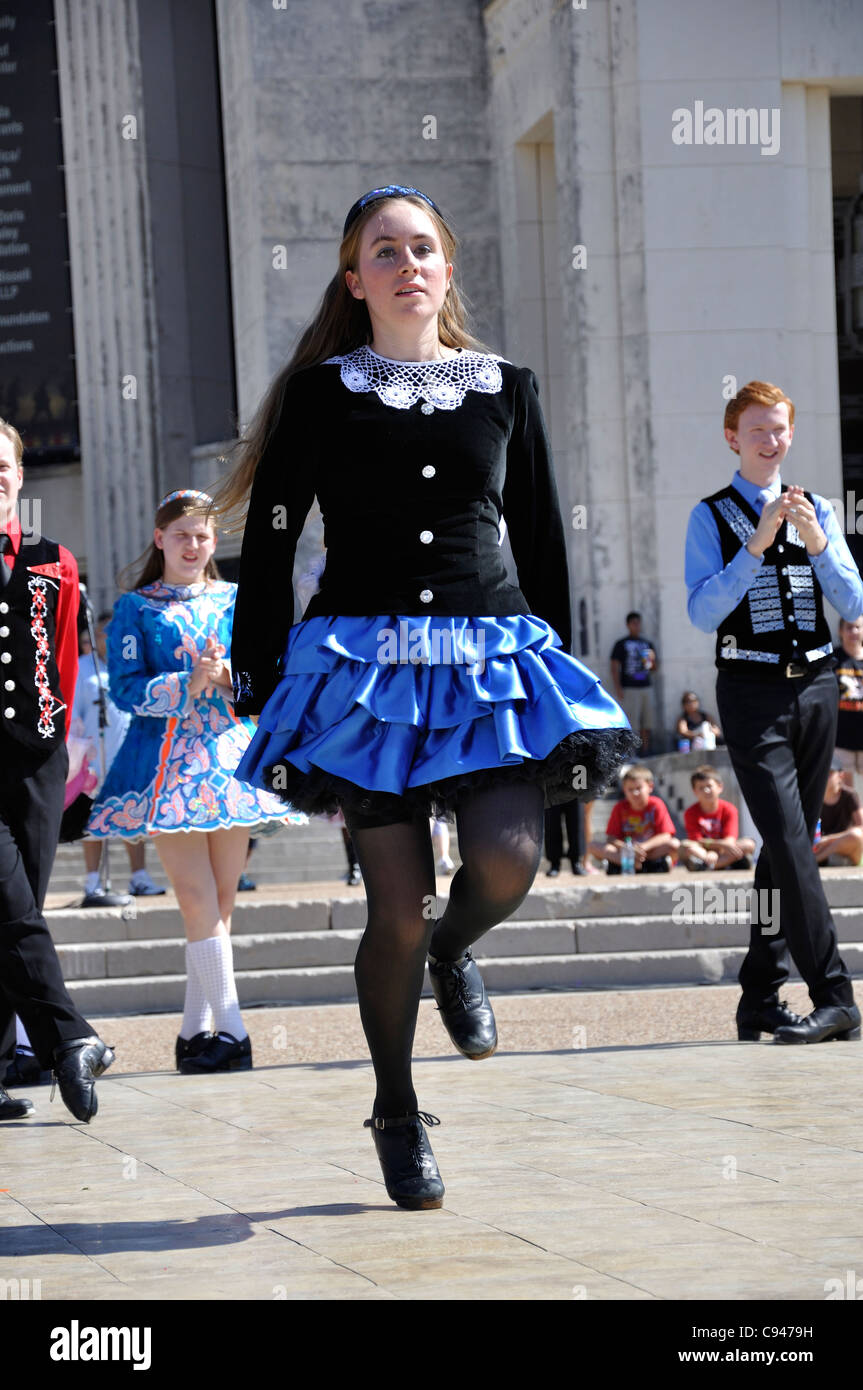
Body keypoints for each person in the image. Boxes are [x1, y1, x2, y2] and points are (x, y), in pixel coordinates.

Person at [220, 183, 636, 1210]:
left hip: (487, 652)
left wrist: (564, 679)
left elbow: (537, 539)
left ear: (447, 269)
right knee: (393, 905)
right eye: (384, 251)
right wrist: (257, 672)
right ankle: (397, 1109)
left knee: (506, 855)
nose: (407, 264)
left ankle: (458, 953)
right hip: (360, 667)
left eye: (422, 248)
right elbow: (269, 544)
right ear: (354, 280)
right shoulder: (319, 393)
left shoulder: (507, 387)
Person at [87, 491, 305, 1073]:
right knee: (195, 898)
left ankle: (194, 1031)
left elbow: (267, 674)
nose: (192, 545)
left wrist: (231, 675)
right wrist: (189, 681)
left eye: (203, 535)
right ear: (159, 538)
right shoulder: (136, 609)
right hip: (165, 766)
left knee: (220, 903)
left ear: (214, 543)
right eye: (181, 534)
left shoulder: (236, 600)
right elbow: (128, 689)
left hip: (230, 759)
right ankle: (233, 1030)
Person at [685, 379, 863, 1044]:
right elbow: (702, 611)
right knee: (791, 843)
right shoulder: (709, 516)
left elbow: (852, 604)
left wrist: (818, 543)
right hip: (750, 691)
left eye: (779, 429)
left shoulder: (816, 507)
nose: (770, 440)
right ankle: (835, 994)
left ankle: (758, 994)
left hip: (817, 685)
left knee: (777, 853)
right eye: (756, 429)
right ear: (733, 438)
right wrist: (753, 547)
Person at [0, 417, 115, 1122]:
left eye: (1, 465)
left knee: (17, 910)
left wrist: (58, 743)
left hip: (35, 759)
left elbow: (62, 667)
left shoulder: (56, 560)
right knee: (6, 905)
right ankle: (69, 1037)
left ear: (19, 472)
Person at [73, 610, 165, 904]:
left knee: (132, 814)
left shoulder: (132, 667)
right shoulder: (82, 668)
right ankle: (93, 880)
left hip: (129, 754)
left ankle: (139, 876)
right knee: (91, 820)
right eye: (104, 634)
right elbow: (73, 713)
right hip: (92, 757)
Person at [587, 764, 679, 873]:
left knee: (674, 844)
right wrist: (628, 848)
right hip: (627, 850)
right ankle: (645, 866)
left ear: (650, 787)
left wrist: (643, 847)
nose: (635, 793)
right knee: (592, 846)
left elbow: (666, 835)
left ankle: (633, 865)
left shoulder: (656, 804)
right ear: (624, 790)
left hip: (649, 850)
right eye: (630, 789)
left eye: (639, 788)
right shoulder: (620, 807)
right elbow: (611, 838)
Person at [679, 765, 755, 870]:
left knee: (748, 844)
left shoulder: (730, 809)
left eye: (709, 786)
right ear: (695, 791)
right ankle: (728, 863)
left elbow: (730, 840)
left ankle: (707, 866)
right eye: (701, 788)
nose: (706, 790)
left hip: (724, 850)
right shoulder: (690, 812)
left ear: (720, 787)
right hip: (704, 851)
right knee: (686, 847)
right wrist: (711, 851)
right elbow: (697, 840)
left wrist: (719, 849)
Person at [610, 612, 656, 752]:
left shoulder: (647, 643)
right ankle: (632, 753)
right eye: (634, 623)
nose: (636, 625)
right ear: (628, 625)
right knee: (632, 723)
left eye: (638, 622)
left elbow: (653, 668)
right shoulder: (621, 643)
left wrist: (652, 659)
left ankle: (645, 751)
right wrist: (618, 688)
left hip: (646, 686)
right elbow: (614, 666)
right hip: (629, 688)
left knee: (647, 722)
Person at [832, 617, 863, 786]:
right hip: (841, 739)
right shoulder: (833, 659)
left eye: (858, 627)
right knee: (845, 792)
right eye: (849, 628)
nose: (854, 632)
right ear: (841, 631)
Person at [814, 762, 863, 867]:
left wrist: (829, 839)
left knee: (856, 835)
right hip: (820, 848)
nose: (824, 777)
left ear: (841, 775)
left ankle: (816, 860)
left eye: (829, 773)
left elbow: (861, 828)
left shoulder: (850, 795)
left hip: (846, 852)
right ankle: (817, 858)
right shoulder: (814, 797)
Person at [544, 799, 585, 876]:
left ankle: (576, 862)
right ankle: (554, 863)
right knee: (552, 823)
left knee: (576, 822)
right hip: (552, 788)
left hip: (575, 788)